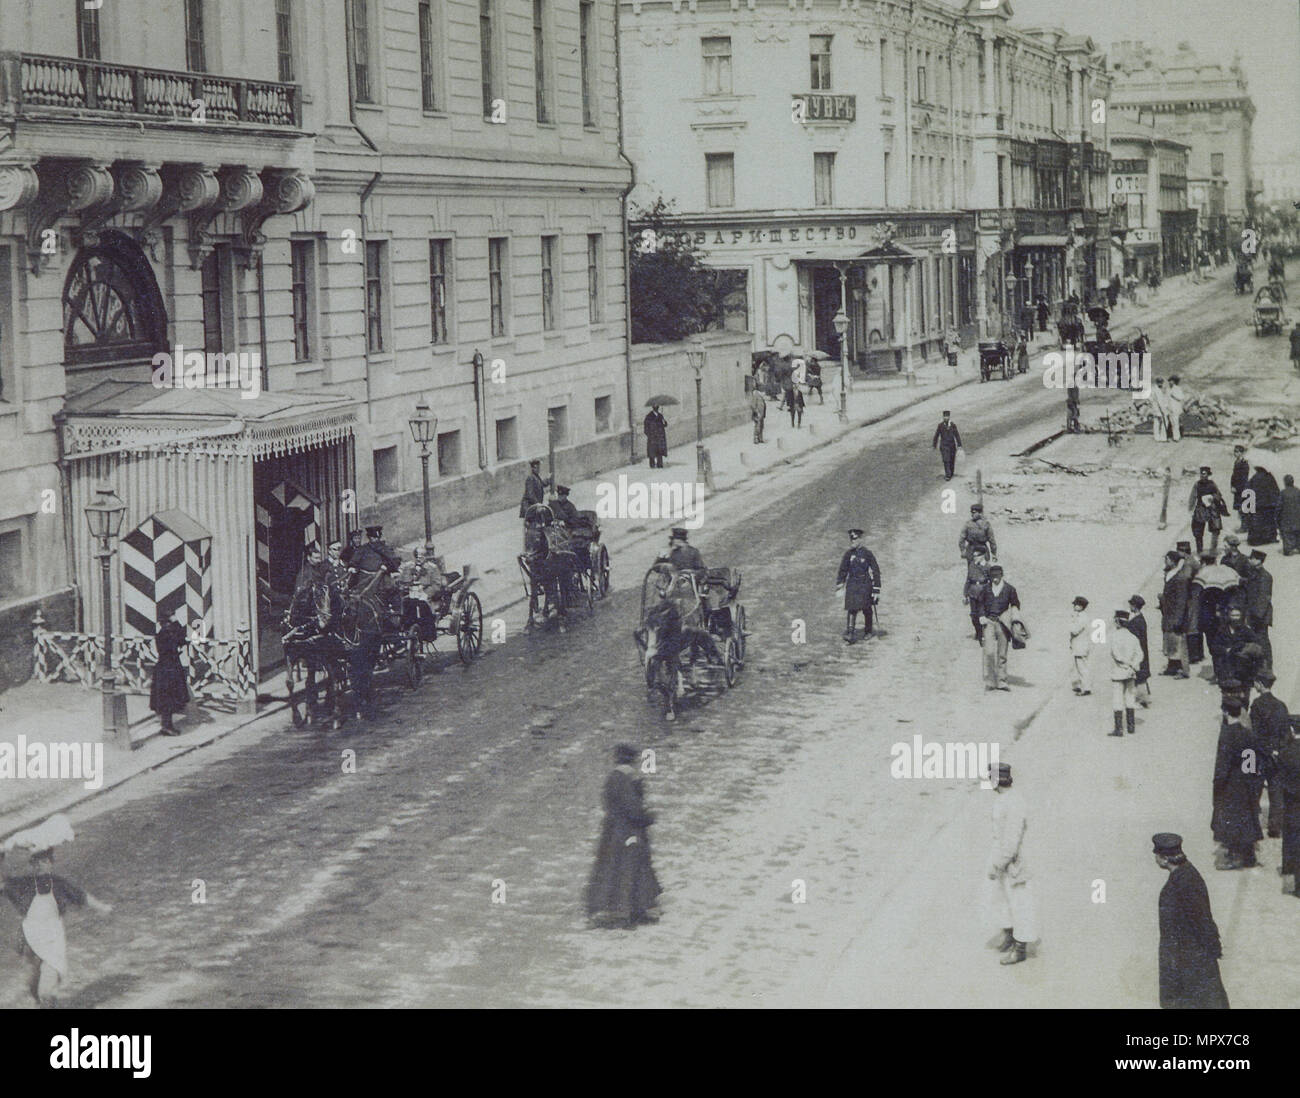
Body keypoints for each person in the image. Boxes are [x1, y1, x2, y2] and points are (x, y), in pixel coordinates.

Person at [2, 842, 112, 1008]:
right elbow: (2, 883)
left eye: (45, 861)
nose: (41, 865)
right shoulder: (22, 884)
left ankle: (47, 999)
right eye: (37, 862)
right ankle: (44, 999)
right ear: (31, 864)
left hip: (53, 937)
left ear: (51, 863)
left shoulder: (59, 883)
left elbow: (81, 896)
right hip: (30, 938)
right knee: (34, 983)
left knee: (47, 985)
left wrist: (102, 907)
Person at [585, 743, 662, 929]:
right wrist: (647, 817)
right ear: (631, 760)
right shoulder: (625, 779)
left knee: (611, 868)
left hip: (613, 832)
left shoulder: (613, 778)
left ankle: (610, 908)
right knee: (630, 870)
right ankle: (629, 910)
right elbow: (632, 808)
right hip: (629, 832)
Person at [1152, 833, 1229, 1009]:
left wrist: (1212, 947)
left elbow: (1202, 919)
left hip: (1191, 958)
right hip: (1183, 957)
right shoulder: (1184, 875)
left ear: (1164, 859)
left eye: (1157, 856)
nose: (1155, 860)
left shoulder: (1186, 881)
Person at [986, 763, 1037, 966]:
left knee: (1020, 903)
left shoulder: (1014, 803)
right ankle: (1009, 934)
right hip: (1003, 857)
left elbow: (1011, 842)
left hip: (1015, 862)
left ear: (997, 781)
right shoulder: (1004, 799)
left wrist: (998, 864)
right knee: (1000, 900)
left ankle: (1020, 948)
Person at [1213, 696, 1264, 870]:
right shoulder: (1248, 733)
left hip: (1230, 784)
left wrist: (1217, 786)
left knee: (1231, 821)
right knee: (1247, 818)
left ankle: (1234, 857)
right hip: (1246, 782)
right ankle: (1249, 856)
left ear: (1225, 712)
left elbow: (1222, 766)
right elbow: (1252, 762)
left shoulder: (1227, 735)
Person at [1251, 671, 1289, 841]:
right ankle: (1275, 828)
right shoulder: (1281, 705)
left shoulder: (1257, 705)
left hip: (1260, 755)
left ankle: (1252, 826)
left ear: (1260, 684)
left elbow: (1255, 734)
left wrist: (1266, 750)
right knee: (1276, 792)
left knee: (1254, 790)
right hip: (1277, 755)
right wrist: (1278, 751)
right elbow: (1286, 734)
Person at [973, 563, 1019, 691]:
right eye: (993, 576)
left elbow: (1015, 604)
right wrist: (981, 615)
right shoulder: (986, 589)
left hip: (1003, 624)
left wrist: (1014, 616)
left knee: (1002, 653)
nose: (995, 579)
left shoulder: (1010, 589)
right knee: (989, 652)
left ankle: (1002, 681)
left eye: (997, 576)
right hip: (989, 622)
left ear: (1002, 575)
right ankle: (991, 681)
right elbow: (979, 604)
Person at [835, 528, 881, 644]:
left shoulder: (867, 553)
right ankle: (850, 633)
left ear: (860, 539)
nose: (852, 542)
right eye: (851, 539)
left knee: (866, 608)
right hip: (852, 584)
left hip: (865, 583)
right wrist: (840, 584)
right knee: (851, 608)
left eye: (855, 539)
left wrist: (876, 588)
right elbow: (843, 570)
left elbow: (875, 570)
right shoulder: (848, 554)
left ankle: (868, 631)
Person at [150, 611, 189, 737]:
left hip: (166, 668)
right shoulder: (165, 634)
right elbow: (182, 639)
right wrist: (176, 622)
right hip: (168, 669)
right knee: (168, 699)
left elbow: (181, 640)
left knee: (168, 699)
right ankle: (166, 726)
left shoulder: (163, 633)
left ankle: (167, 725)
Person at [1272, 717, 1300, 895]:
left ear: (1291, 730)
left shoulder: (1285, 753)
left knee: (1294, 842)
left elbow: (1279, 781)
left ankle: (1296, 882)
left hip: (1293, 807)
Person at [1157, 550, 1192, 678]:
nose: (1165, 562)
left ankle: (1183, 670)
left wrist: (1178, 619)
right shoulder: (1170, 574)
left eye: (1166, 559)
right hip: (1168, 614)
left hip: (1176, 616)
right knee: (1169, 641)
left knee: (1179, 643)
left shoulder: (1180, 578)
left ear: (1172, 561)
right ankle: (1172, 666)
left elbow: (1181, 601)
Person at [1108, 609, 1143, 737]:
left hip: (1119, 671)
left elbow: (1116, 655)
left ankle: (1118, 729)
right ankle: (1131, 726)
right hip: (1131, 672)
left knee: (1117, 699)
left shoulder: (1115, 637)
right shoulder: (1133, 637)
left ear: (1117, 622)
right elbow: (1140, 654)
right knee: (1130, 697)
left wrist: (1126, 664)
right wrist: (1133, 665)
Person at [1187, 466, 1228, 554]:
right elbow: (1192, 497)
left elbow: (1219, 495)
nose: (1203, 476)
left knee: (1216, 529)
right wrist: (1190, 509)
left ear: (1208, 475)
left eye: (1205, 474)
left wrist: (1212, 497)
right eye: (1201, 474)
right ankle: (1199, 550)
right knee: (1198, 529)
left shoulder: (1212, 484)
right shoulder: (1197, 484)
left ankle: (1213, 550)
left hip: (1212, 508)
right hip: (1201, 508)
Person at [1241, 550, 1273, 665]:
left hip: (1260, 616)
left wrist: (1256, 616)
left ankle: (1267, 666)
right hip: (1254, 614)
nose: (1250, 560)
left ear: (1259, 561)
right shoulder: (1254, 574)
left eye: (1252, 558)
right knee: (1257, 640)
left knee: (1262, 640)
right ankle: (1259, 665)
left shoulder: (1265, 576)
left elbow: (1264, 598)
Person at [1246, 464, 1281, 546]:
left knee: (1257, 523)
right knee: (1270, 522)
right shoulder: (1270, 477)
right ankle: (1270, 538)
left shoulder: (1254, 478)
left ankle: (1256, 540)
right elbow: (1276, 491)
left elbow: (1247, 491)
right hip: (1270, 505)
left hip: (1257, 505)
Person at [1127, 595, 1152, 708]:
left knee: (1140, 675)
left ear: (1135, 606)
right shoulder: (1139, 618)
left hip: (1138, 651)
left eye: (1131, 604)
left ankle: (1142, 700)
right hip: (1142, 650)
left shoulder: (1137, 621)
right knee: (1141, 674)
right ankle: (1145, 697)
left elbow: (1134, 635)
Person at [964, 548, 990, 643]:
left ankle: (983, 635)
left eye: (977, 556)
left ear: (982, 556)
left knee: (983, 614)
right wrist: (965, 594)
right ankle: (978, 632)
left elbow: (990, 582)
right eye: (974, 556)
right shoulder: (971, 565)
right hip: (973, 593)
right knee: (974, 615)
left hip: (983, 593)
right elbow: (968, 580)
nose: (975, 558)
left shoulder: (987, 567)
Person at [1069, 596, 1091, 696]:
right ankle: (1082, 686)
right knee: (1081, 667)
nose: (1074, 605)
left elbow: (1074, 630)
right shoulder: (1081, 616)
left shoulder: (1082, 617)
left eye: (1076, 604)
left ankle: (1086, 688)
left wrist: (1072, 621)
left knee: (1082, 668)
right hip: (1080, 645)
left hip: (1081, 646)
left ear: (1081, 607)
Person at [932, 410, 962, 481]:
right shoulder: (940, 425)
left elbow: (957, 435)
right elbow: (936, 435)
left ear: (949, 417)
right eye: (944, 416)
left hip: (952, 446)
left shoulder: (953, 425)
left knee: (951, 460)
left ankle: (951, 473)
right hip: (944, 446)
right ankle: (947, 475)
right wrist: (934, 445)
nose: (946, 418)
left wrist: (959, 444)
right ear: (943, 417)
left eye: (947, 416)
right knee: (946, 460)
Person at [1230, 445, 1251, 533]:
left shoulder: (1244, 463)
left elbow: (1243, 478)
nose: (1236, 453)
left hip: (1242, 489)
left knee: (1243, 508)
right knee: (1240, 508)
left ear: (1242, 453)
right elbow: (1234, 476)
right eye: (1235, 451)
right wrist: (1232, 486)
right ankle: (1243, 526)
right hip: (1237, 489)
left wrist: (1237, 488)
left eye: (1238, 452)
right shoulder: (1237, 462)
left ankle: (1244, 527)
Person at [1279, 474, 1300, 555]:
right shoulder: (1298, 491)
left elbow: (1279, 507)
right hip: (1298, 519)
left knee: (1287, 534)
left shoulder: (1283, 493)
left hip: (1286, 520)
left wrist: (1277, 518)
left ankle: (1288, 549)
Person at [1165, 376, 1185, 442]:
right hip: (1169, 408)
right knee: (1171, 423)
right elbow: (1166, 399)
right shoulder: (1168, 389)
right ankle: (1172, 436)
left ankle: (1176, 437)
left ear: (1174, 381)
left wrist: (1173, 396)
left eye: (1171, 381)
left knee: (1176, 423)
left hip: (1176, 408)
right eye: (1169, 381)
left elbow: (1181, 397)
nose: (1170, 382)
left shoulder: (1178, 389)